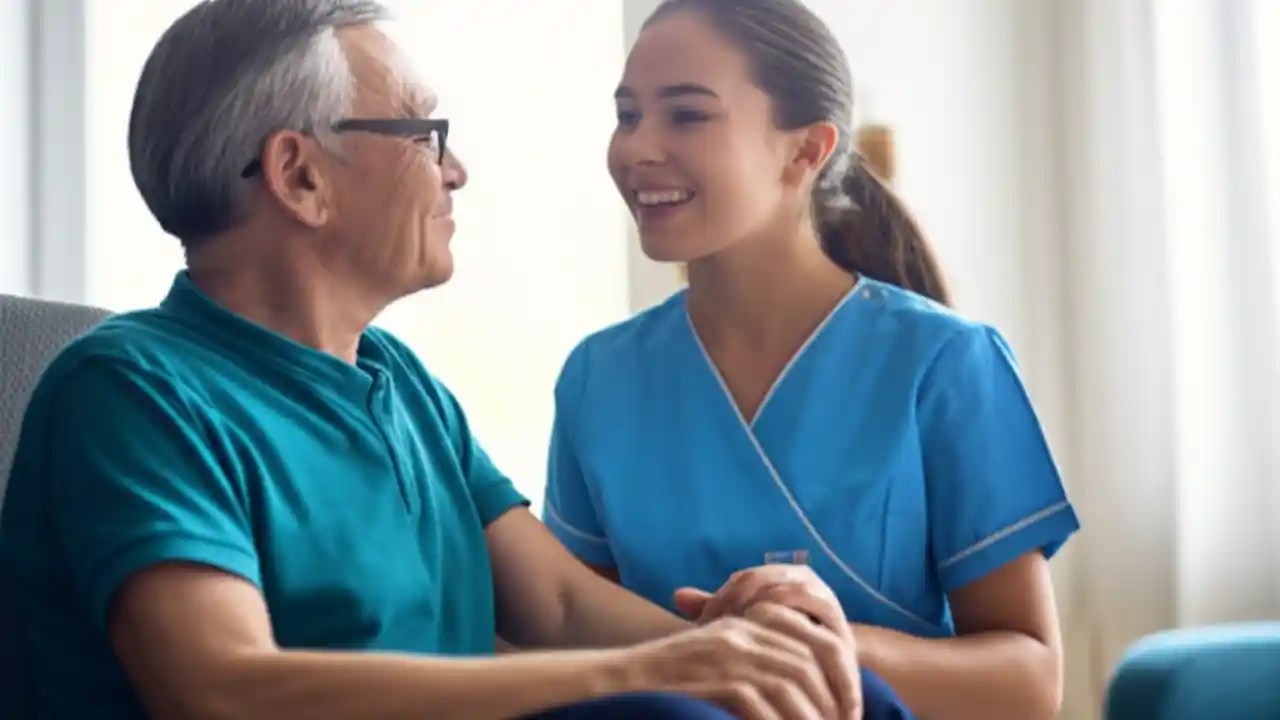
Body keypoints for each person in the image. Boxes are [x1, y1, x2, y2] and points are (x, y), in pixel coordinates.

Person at [0, 1, 919, 719]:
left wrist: (744, 646)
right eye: (420, 131)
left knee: (836, 700)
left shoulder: (400, 385)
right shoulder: (129, 390)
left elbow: (556, 605)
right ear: (300, 176)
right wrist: (650, 672)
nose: (455, 169)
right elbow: (225, 691)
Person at [541, 0, 1081, 718]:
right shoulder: (598, 380)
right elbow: (567, 636)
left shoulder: (948, 364)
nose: (637, 148)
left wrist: (812, 647)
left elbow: (1030, 682)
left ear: (805, 151)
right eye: (627, 115)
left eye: (687, 115)